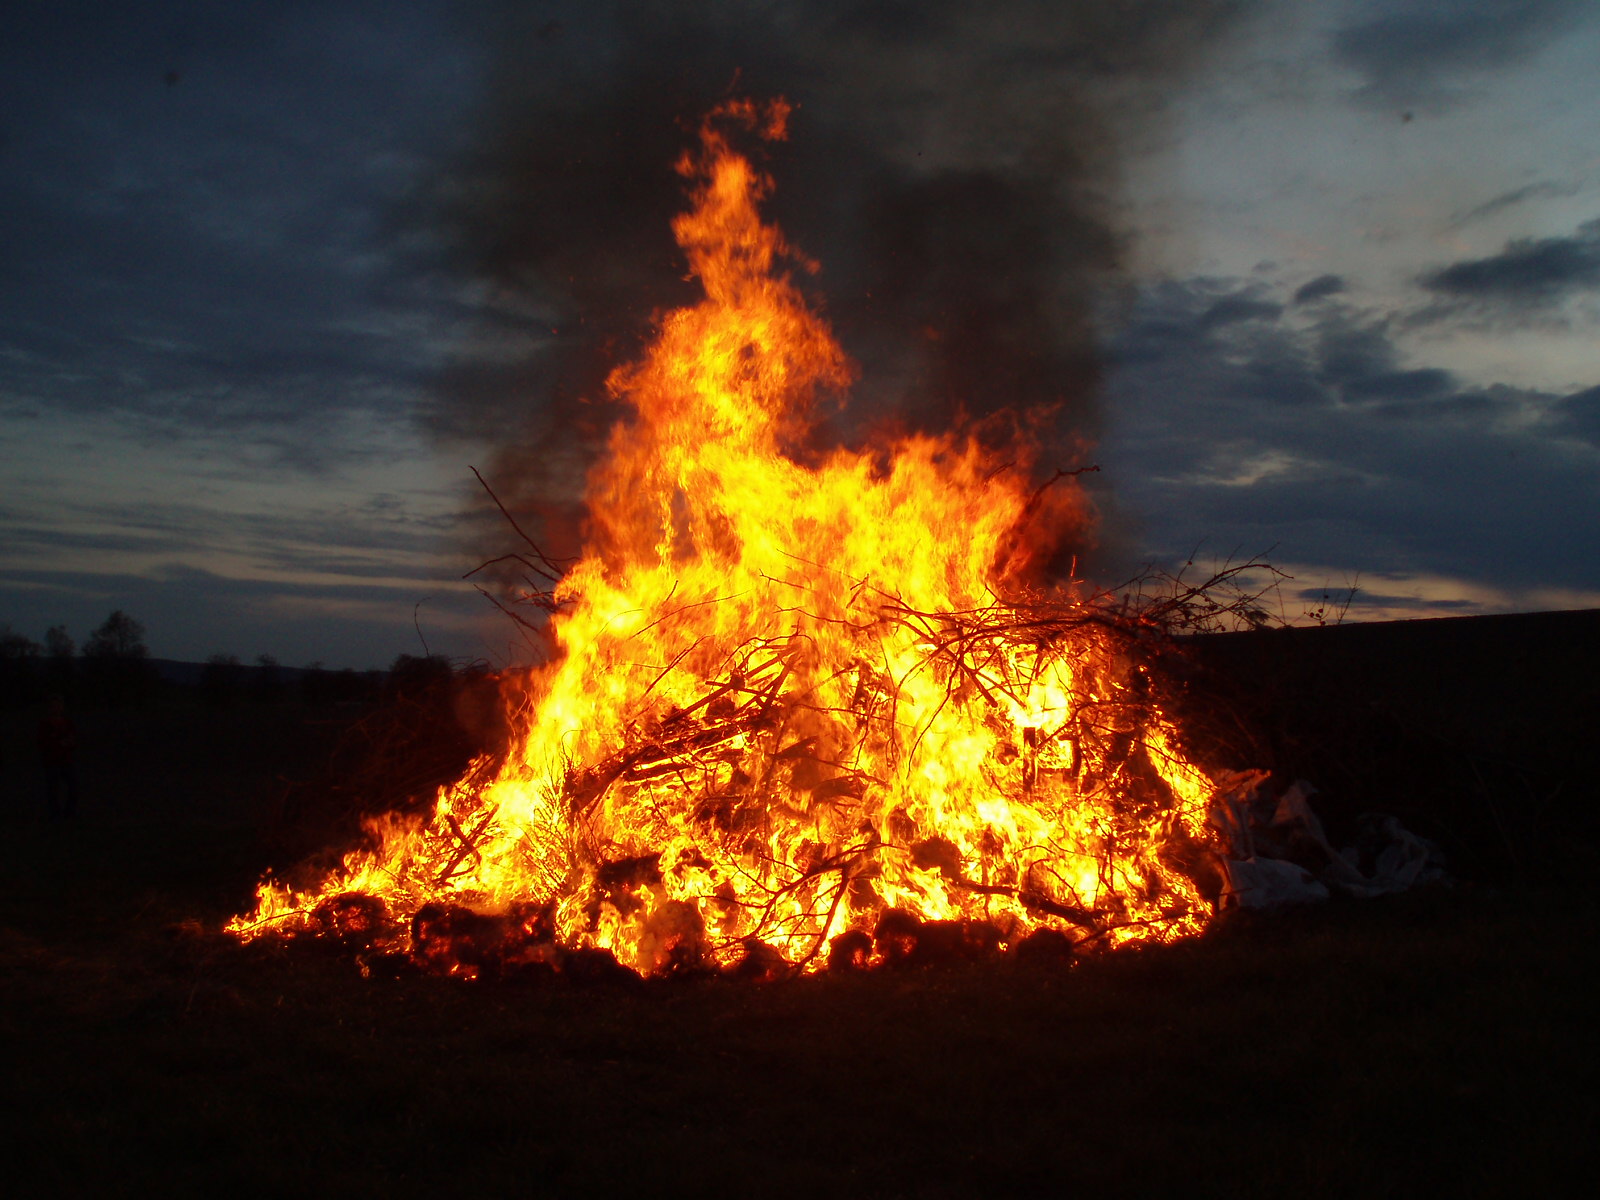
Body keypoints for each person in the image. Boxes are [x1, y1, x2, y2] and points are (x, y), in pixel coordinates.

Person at [38, 693, 78, 821]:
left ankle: (69, 813)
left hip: (66, 760)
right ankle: (55, 815)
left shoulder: (67, 722)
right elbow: (44, 743)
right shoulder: (45, 724)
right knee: (53, 789)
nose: (57, 708)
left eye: (59, 705)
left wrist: (63, 742)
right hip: (52, 761)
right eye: (54, 705)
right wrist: (60, 742)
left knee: (73, 786)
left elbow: (72, 740)